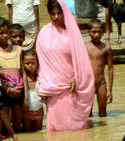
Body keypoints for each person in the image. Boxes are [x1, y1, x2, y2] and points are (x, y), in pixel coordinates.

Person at [35, 0, 95, 132]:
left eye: (59, 13)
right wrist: (43, 84)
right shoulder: (44, 34)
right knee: (55, 129)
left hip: (70, 87)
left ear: (65, 13)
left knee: (75, 127)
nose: (56, 17)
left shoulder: (73, 35)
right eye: (53, 14)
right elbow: (41, 64)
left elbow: (82, 62)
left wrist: (76, 76)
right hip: (52, 89)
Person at [0, 18, 25, 131]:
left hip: (19, 92)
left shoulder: (18, 50)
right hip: (2, 93)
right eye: (1, 33)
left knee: (18, 127)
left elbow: (23, 72)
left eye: (7, 33)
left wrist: (26, 96)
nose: (5, 36)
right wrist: (8, 90)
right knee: (4, 129)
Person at [85, 19, 113, 117]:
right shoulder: (85, 47)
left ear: (103, 32)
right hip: (88, 84)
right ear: (88, 32)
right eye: (94, 32)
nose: (96, 35)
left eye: (99, 32)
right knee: (88, 115)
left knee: (103, 115)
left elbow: (110, 69)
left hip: (101, 84)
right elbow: (78, 66)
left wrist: (110, 90)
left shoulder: (106, 48)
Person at [20, 49, 45, 132]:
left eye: (33, 63)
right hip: (26, 113)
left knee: (39, 134)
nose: (30, 65)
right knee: (28, 133)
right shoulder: (22, 79)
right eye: (27, 63)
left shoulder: (40, 78)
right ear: (23, 64)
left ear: (37, 63)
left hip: (39, 112)